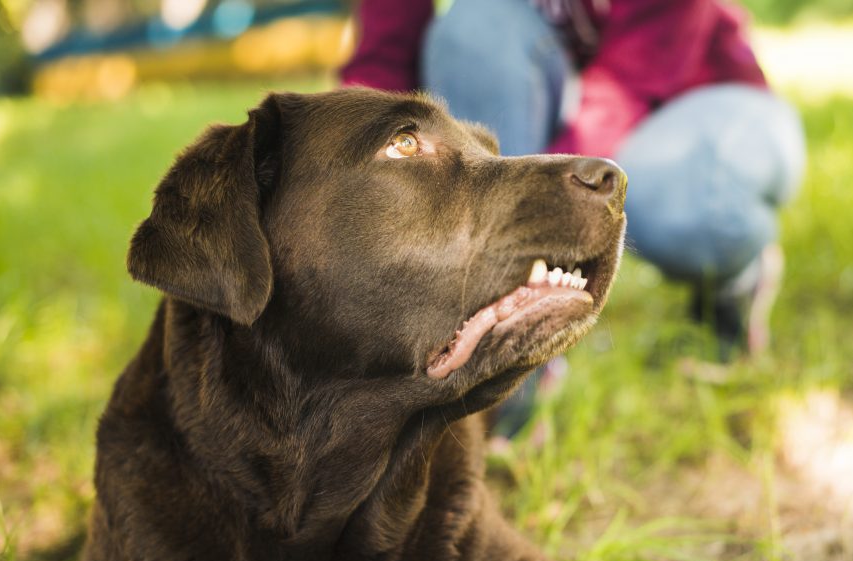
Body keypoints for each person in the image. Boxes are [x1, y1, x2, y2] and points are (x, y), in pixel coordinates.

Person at [339, 0, 806, 432]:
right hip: (556, 83)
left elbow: (631, 81)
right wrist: (352, 166)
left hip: (698, 96)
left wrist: (548, 203)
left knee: (690, 207)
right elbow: (387, 46)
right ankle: (504, 358)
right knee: (474, 26)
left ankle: (733, 283)